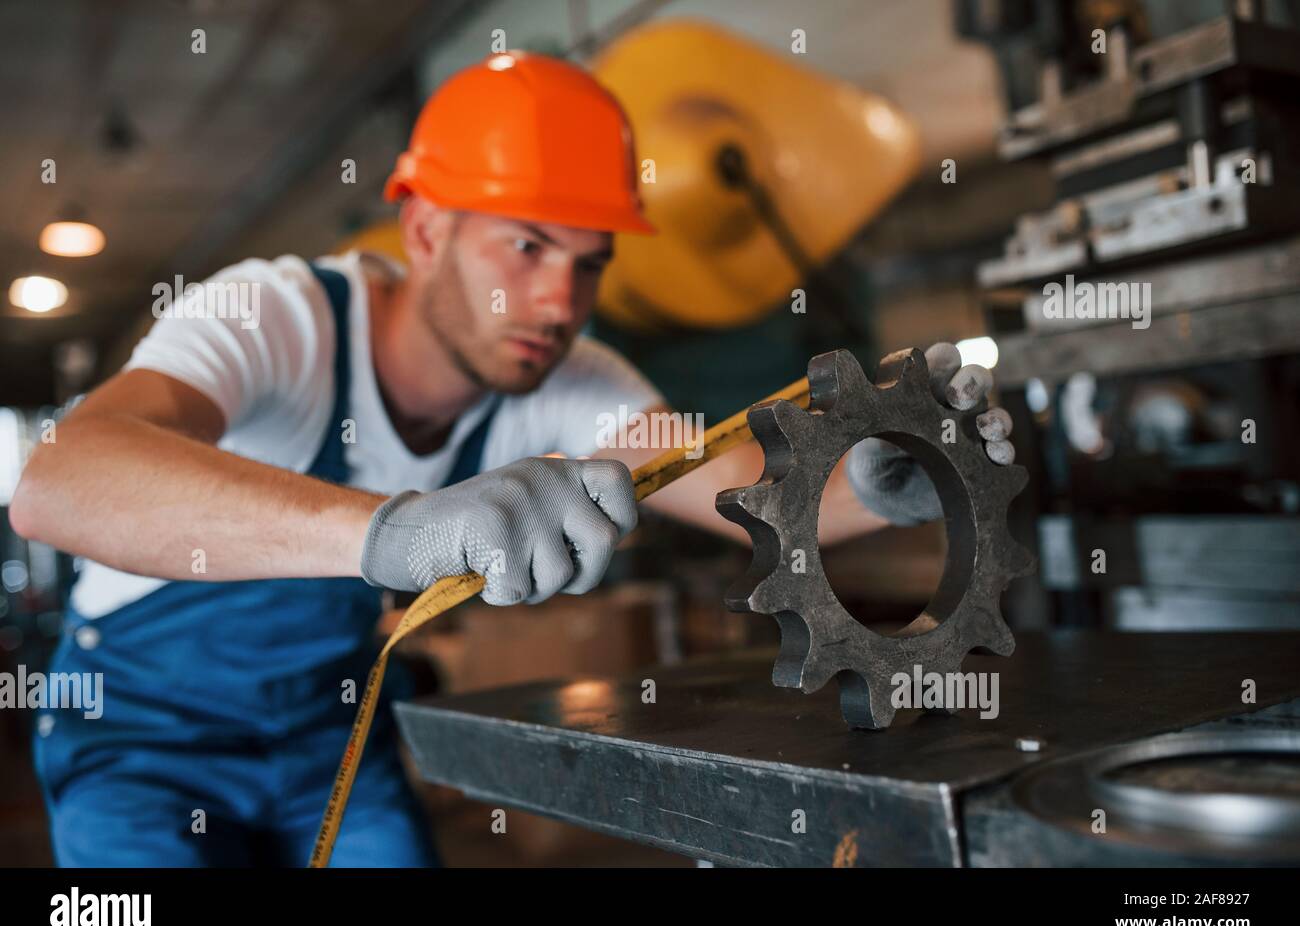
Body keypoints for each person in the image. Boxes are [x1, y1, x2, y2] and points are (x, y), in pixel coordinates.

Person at [10, 52, 1016, 867]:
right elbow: (57, 479)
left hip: (328, 744)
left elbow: (739, 490)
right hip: (140, 745)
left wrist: (882, 478)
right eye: (526, 247)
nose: (556, 300)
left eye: (588, 265)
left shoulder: (570, 376)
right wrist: (396, 533)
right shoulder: (271, 315)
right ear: (426, 228)